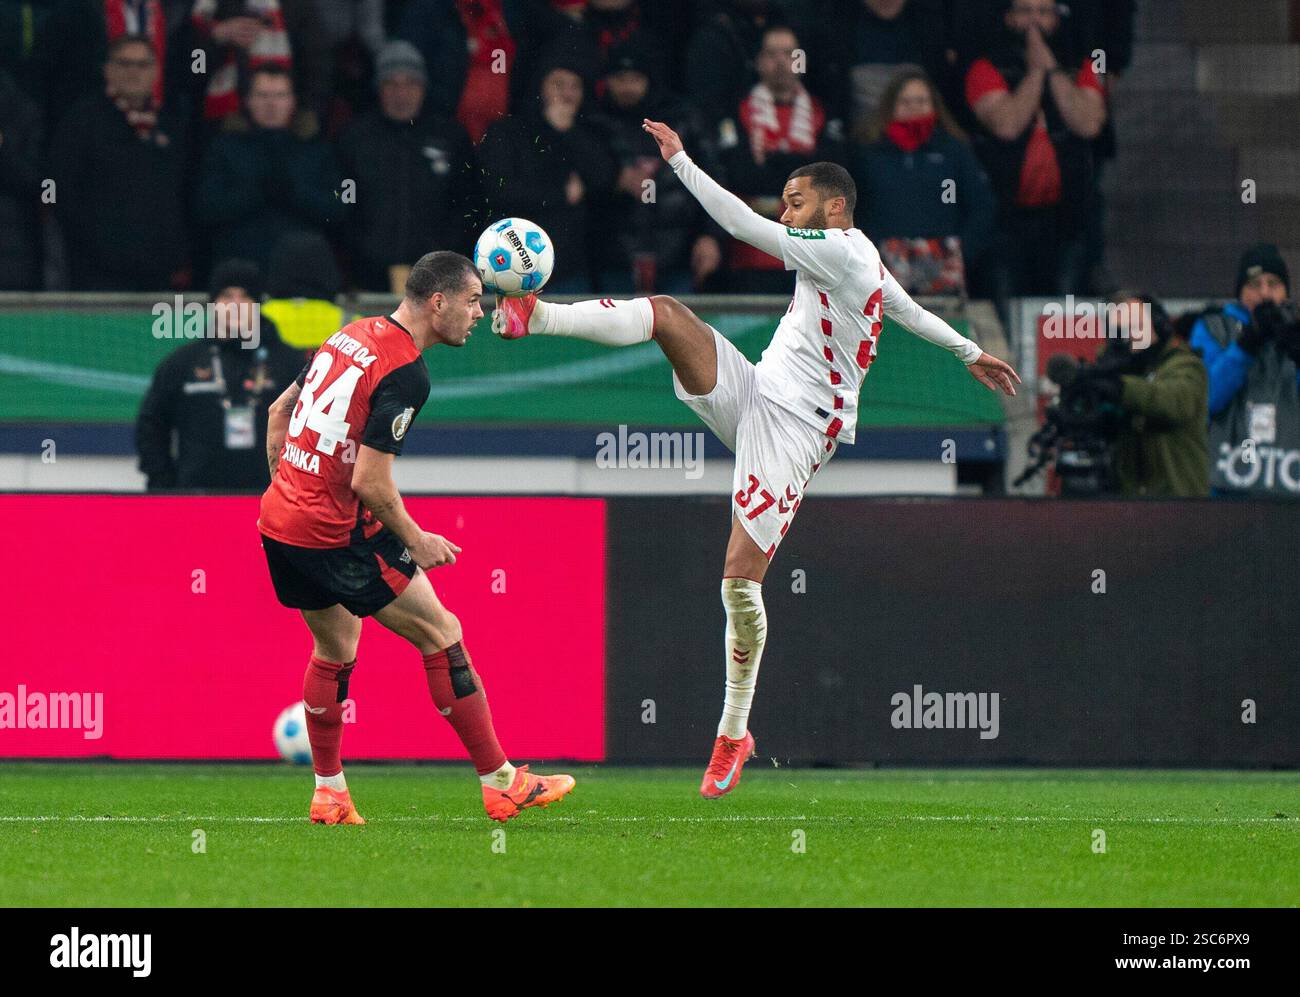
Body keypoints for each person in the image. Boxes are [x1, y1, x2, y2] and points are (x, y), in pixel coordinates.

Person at [492, 119, 1019, 799]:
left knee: (739, 585)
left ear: (834, 207)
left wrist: (681, 160)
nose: (785, 212)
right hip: (759, 389)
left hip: (798, 431)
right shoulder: (859, 254)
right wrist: (970, 353)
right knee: (666, 314)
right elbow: (909, 308)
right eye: (784, 203)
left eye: (795, 201)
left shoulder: (839, 251)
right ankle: (536, 317)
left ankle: (733, 729)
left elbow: (741, 225)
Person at [257, 251, 575, 824]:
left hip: (279, 525)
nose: (479, 314)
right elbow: (369, 481)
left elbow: (280, 411)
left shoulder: (349, 335)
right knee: (441, 631)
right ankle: (502, 783)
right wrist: (418, 538)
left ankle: (329, 793)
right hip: (336, 533)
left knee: (334, 648)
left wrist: (287, 482)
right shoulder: (406, 370)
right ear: (438, 302)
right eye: (474, 300)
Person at [136, 259, 302, 491]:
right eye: (226, 296)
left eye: (244, 297)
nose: (235, 305)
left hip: (273, 500)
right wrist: (163, 484)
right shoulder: (182, 363)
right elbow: (151, 425)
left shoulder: (290, 363)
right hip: (196, 500)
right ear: (214, 303)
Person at [49, 34, 190, 291]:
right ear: (108, 70)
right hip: (97, 271)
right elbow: (59, 190)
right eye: (124, 64)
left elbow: (183, 191)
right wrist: (91, 244)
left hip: (159, 271)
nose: (133, 72)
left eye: (142, 65)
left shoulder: (171, 122)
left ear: (156, 71)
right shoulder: (82, 121)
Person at [193, 64, 344, 275]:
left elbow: (338, 209)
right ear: (248, 101)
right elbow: (206, 207)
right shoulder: (224, 148)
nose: (271, 104)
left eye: (280, 95)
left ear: (292, 101)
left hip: (300, 272)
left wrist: (294, 193)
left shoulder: (316, 149)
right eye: (263, 95)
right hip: (240, 274)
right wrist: (255, 193)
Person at [854, 70, 995, 295]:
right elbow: (855, 208)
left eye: (921, 101)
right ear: (891, 106)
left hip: (942, 265)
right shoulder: (869, 152)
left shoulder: (954, 151)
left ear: (934, 106)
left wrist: (961, 252)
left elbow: (982, 206)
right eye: (905, 101)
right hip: (883, 267)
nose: (914, 107)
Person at [1189, 244, 1300, 498]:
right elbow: (1204, 399)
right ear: (1239, 292)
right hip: (1228, 483)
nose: (1264, 293)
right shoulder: (1213, 328)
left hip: (1290, 485)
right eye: (1254, 284)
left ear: (1285, 290)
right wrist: (1244, 347)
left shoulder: (1296, 330)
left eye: (1273, 283)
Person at [1098, 294, 1209, 498]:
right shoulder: (1113, 370)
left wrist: (1120, 388)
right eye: (1120, 330)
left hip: (1179, 502)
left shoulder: (1184, 365)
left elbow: (1174, 402)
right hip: (1128, 502)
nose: (1129, 335)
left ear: (1159, 326)